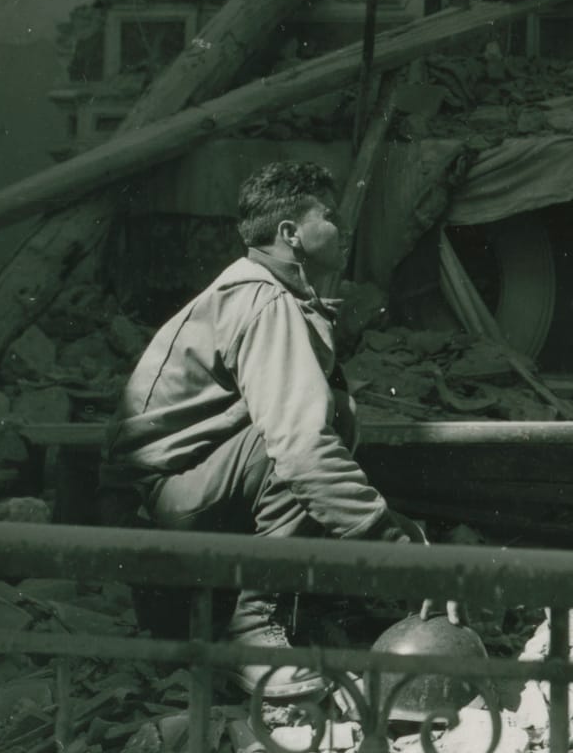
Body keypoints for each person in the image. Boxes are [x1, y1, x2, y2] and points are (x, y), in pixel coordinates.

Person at [101, 162, 426, 701]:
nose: (343, 228)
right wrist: (400, 550)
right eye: (330, 216)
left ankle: (284, 610)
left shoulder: (261, 290)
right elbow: (301, 452)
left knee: (327, 417)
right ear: (291, 233)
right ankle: (251, 631)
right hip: (152, 512)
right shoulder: (264, 300)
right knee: (304, 442)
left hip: (165, 502)